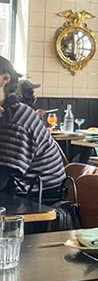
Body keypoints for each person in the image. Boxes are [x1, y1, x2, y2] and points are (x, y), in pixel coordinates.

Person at [0, 57, 65, 201]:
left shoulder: (15, 121)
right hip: (24, 194)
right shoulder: (9, 113)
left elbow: (1, 179)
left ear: (4, 78)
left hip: (40, 203)